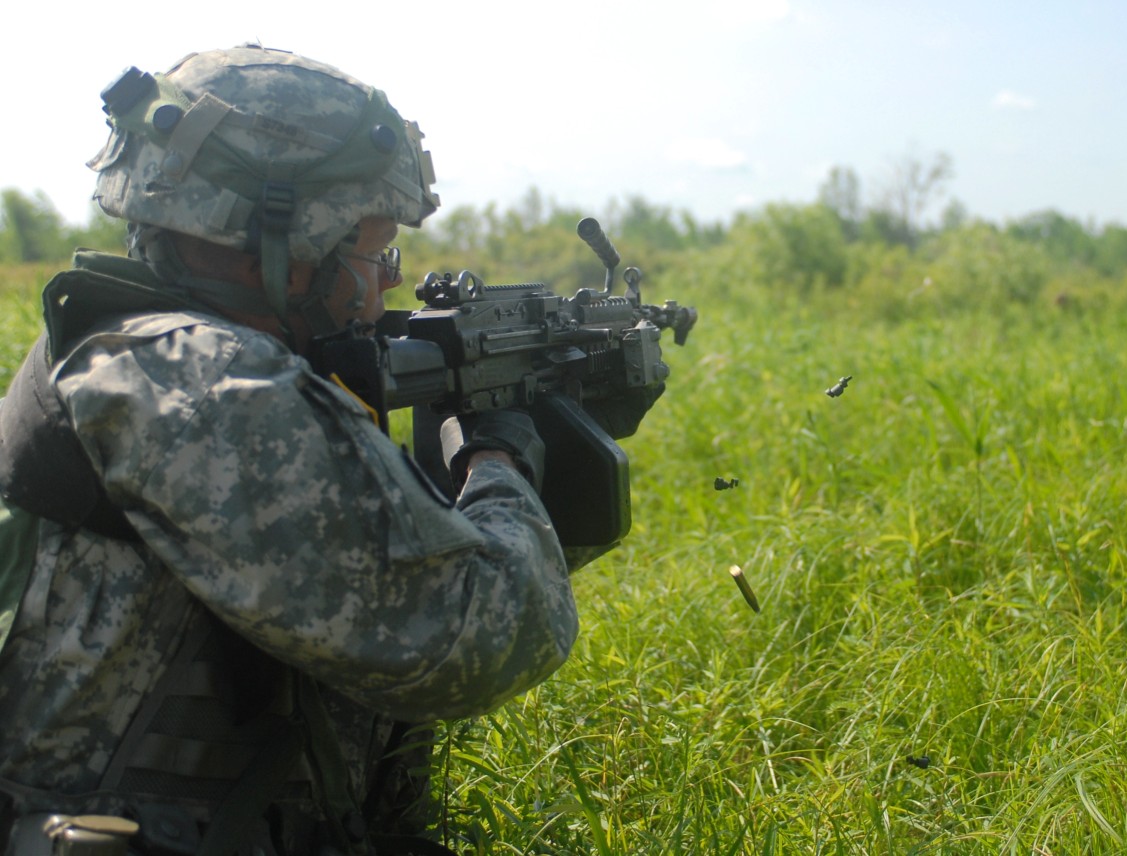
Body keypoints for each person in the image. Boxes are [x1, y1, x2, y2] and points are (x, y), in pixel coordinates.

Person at [0, 45, 657, 856]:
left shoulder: (140, 353)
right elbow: (473, 640)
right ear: (276, 242)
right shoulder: (213, 387)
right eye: (375, 254)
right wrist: (500, 460)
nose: (387, 287)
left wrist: (548, 446)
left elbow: (395, 575)